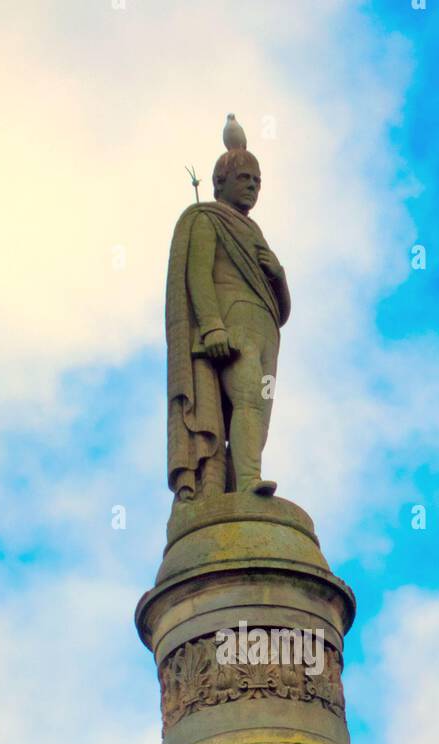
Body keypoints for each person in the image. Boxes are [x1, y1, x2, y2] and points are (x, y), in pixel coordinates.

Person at [166, 115, 291, 502]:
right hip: (232, 326)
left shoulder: (254, 232)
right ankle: (248, 481)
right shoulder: (204, 218)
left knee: (259, 414)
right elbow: (197, 277)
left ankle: (240, 482)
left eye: (257, 182)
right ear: (220, 183)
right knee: (248, 400)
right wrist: (212, 326)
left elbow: (283, 309)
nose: (252, 187)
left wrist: (279, 274)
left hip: (266, 329)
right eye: (244, 179)